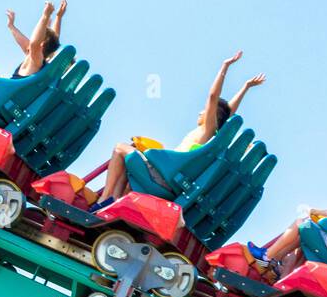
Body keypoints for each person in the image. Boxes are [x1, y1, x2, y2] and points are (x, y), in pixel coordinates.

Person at [93, 51, 266, 210]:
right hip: (170, 182)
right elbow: (228, 113)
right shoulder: (214, 137)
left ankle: (105, 198)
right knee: (130, 158)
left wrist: (224, 67)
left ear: (211, 115)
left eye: (204, 110)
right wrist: (245, 87)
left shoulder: (207, 130)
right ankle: (113, 201)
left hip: (162, 178)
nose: (200, 112)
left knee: (120, 148)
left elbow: (213, 98)